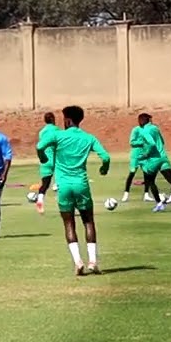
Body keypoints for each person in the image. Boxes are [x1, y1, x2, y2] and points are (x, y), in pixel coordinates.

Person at [36, 105, 110, 276]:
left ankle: (78, 262)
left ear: (68, 120)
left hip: (64, 186)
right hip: (81, 184)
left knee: (69, 223)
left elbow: (40, 147)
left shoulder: (58, 136)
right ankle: (93, 262)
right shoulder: (88, 138)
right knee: (88, 221)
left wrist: (43, 157)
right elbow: (105, 157)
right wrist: (104, 169)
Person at [138, 113, 171, 213]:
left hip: (154, 160)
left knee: (150, 181)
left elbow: (151, 144)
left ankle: (159, 204)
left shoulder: (144, 131)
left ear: (142, 121)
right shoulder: (155, 128)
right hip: (163, 157)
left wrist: (146, 155)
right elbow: (162, 142)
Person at [122, 119, 153, 203]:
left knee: (147, 175)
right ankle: (126, 194)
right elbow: (132, 142)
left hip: (145, 155)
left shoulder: (148, 130)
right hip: (136, 156)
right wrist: (142, 142)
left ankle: (146, 194)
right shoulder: (135, 130)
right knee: (132, 173)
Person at [35, 112, 57, 215]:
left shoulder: (42, 132)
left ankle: (40, 200)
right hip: (56, 160)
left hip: (45, 160)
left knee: (45, 184)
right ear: (53, 119)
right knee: (62, 181)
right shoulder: (57, 131)